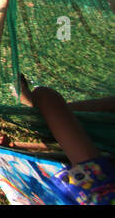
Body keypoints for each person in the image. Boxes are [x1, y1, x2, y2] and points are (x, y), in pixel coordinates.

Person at [18, 75, 115, 205]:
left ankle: (37, 108)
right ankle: (39, 108)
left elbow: (46, 96)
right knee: (46, 98)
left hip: (99, 190)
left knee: (46, 97)